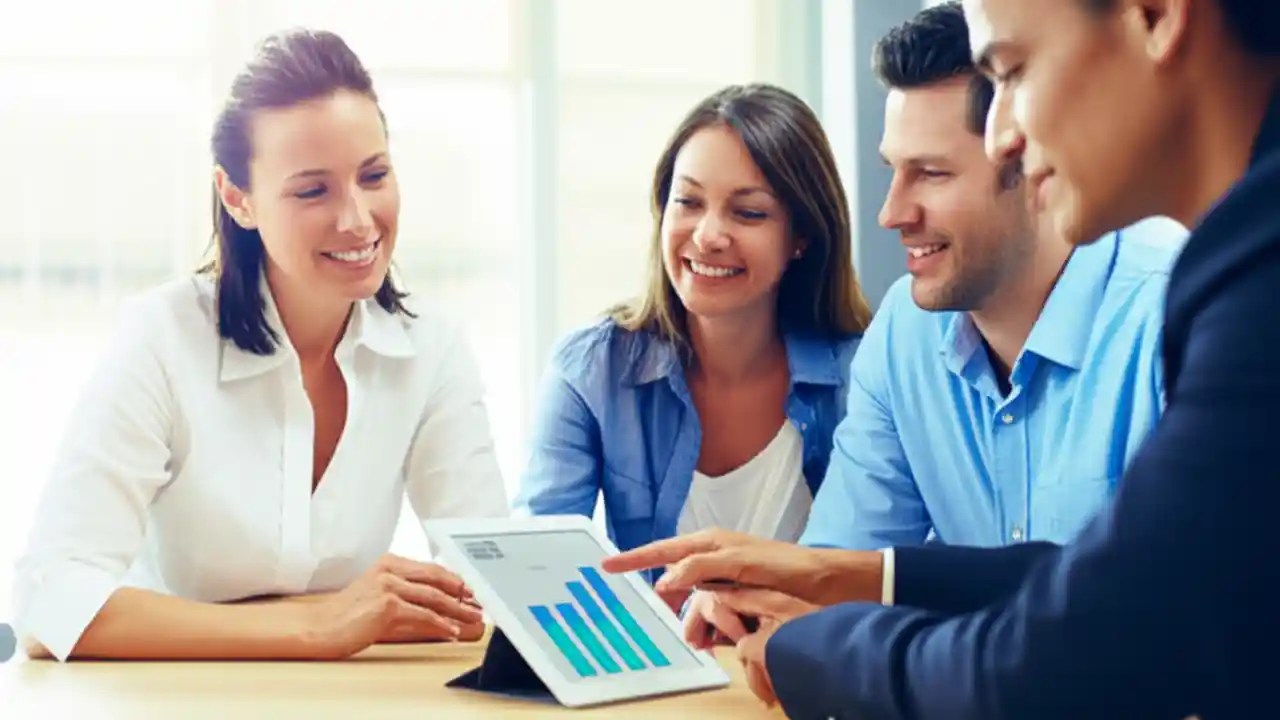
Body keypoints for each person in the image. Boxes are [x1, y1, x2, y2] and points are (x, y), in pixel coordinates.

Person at [604, 0, 1280, 717]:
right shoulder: (907, 333)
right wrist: (830, 575)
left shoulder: (1231, 288)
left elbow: (1090, 644)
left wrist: (821, 641)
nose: (1008, 133)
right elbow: (1122, 580)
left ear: (1156, 15)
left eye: (1015, 71)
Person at [684, 1, 1185, 646]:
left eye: (931, 174)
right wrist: (758, 605)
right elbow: (834, 573)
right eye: (894, 169)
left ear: (1030, 164)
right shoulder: (904, 332)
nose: (891, 212)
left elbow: (1175, 617)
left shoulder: (1174, 313)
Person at [12, 29, 508, 663]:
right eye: (312, 190)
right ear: (237, 198)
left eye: (374, 175)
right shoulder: (161, 337)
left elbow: (493, 578)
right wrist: (316, 630)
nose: (357, 219)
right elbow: (48, 600)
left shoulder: (432, 349)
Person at [516, 85, 871, 568]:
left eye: (748, 212)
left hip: (803, 645)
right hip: (642, 646)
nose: (707, 236)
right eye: (688, 202)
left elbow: (887, 575)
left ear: (801, 237)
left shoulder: (866, 378)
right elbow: (540, 566)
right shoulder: (591, 369)